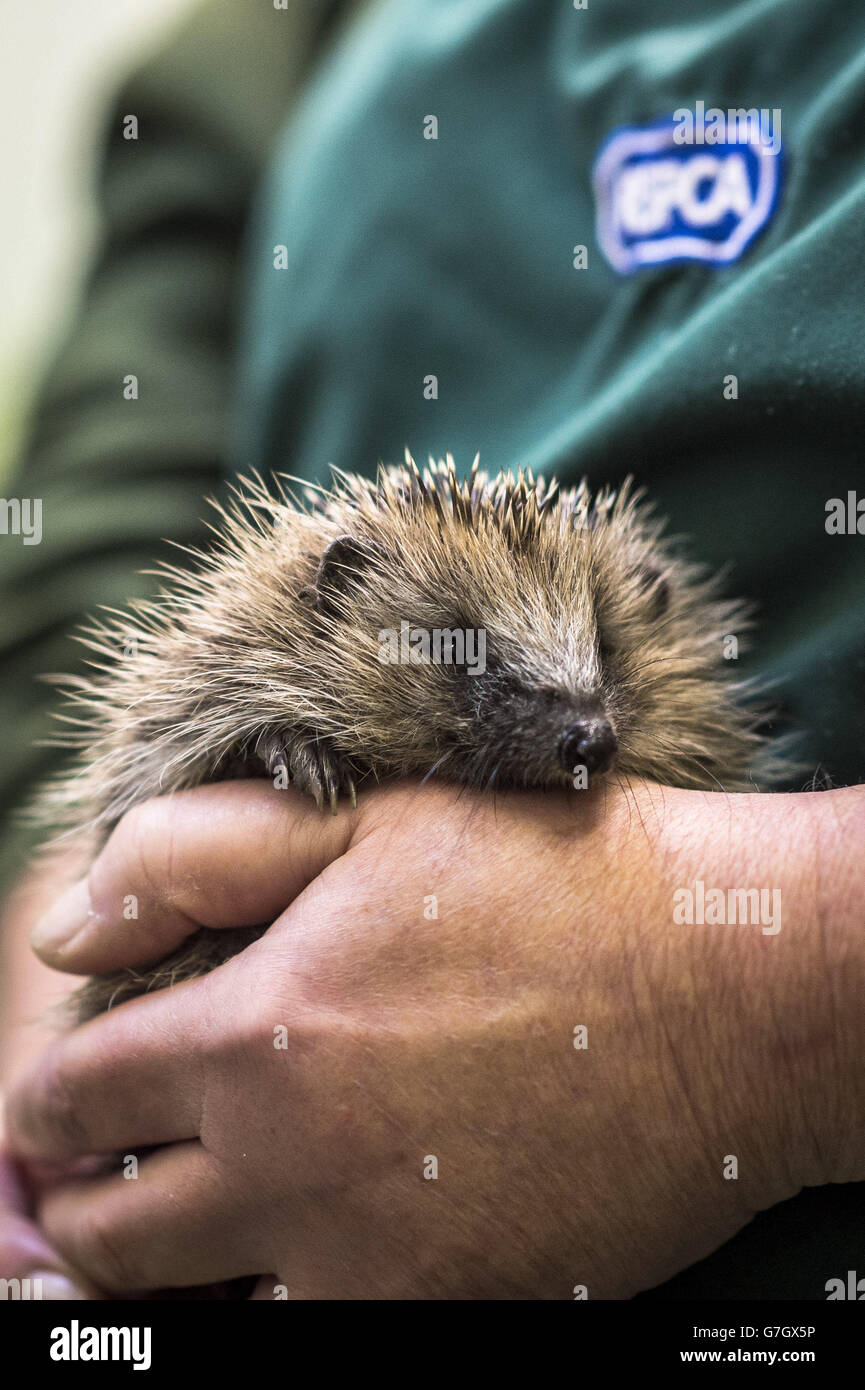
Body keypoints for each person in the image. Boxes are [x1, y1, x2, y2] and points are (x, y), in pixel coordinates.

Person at [1, 0, 864, 1299]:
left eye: (577, 677)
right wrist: (61, 930)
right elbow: (118, 490)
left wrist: (754, 996)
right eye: (479, 669)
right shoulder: (266, 47)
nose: (576, 728)